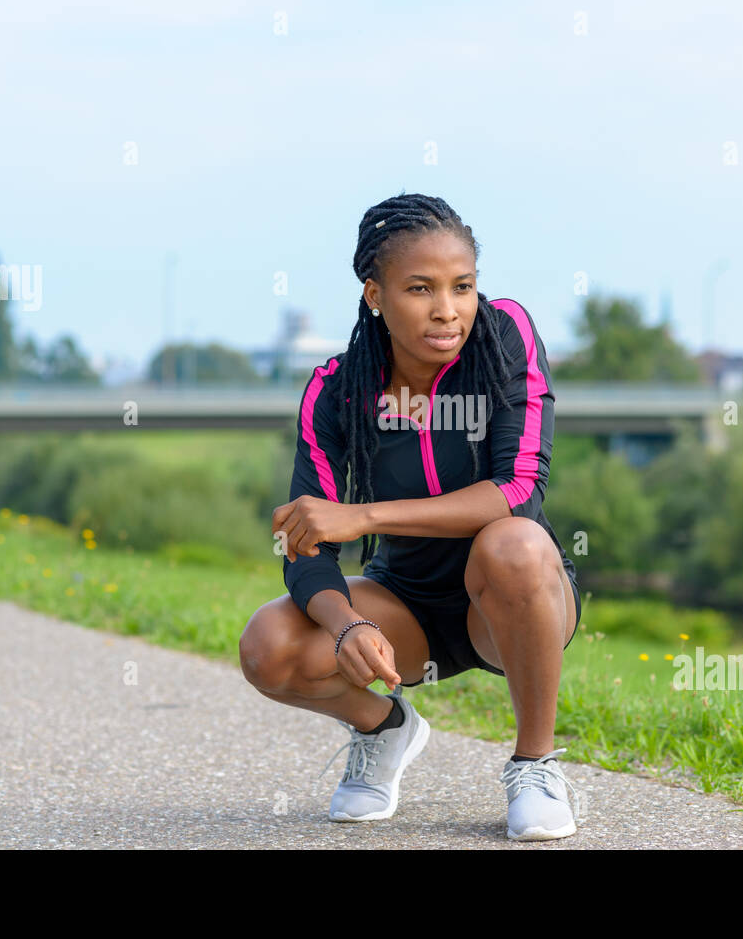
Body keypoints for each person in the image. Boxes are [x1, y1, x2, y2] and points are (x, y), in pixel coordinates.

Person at [239, 192, 582, 841]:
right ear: (375, 294)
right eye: (420, 288)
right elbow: (303, 540)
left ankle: (535, 763)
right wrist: (344, 625)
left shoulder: (504, 336)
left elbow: (518, 489)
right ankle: (384, 727)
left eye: (463, 286)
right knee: (268, 646)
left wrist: (361, 514)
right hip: (408, 605)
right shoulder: (338, 388)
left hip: (513, 596)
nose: (447, 309)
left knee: (515, 543)